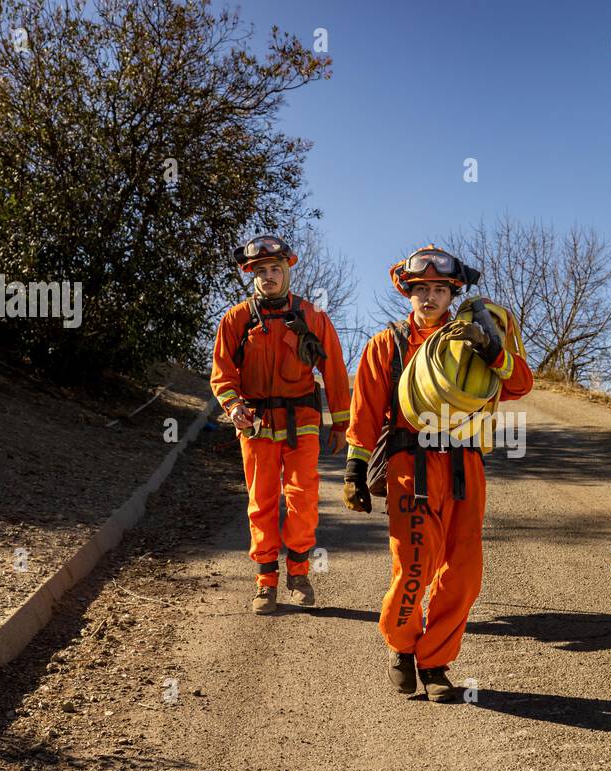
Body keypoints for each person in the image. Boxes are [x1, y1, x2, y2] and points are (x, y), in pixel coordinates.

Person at [342, 246, 533, 701]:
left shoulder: (474, 337)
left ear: (453, 293)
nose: (429, 297)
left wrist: (492, 350)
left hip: (465, 465)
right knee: (413, 567)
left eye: (439, 290)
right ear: (408, 293)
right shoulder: (385, 345)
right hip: (411, 466)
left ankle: (436, 664)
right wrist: (353, 469)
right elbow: (365, 410)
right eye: (421, 289)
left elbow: (520, 385)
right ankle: (402, 646)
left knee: (464, 574)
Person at [211, 235, 351, 614]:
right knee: (261, 503)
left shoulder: (313, 317)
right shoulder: (236, 319)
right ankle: (265, 582)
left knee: (302, 498)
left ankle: (300, 574)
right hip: (255, 425)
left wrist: (341, 424)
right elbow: (222, 374)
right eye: (261, 271)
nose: (268, 276)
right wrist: (233, 405)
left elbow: (335, 370)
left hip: (302, 422)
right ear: (251, 275)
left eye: (275, 269)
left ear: (287, 271)